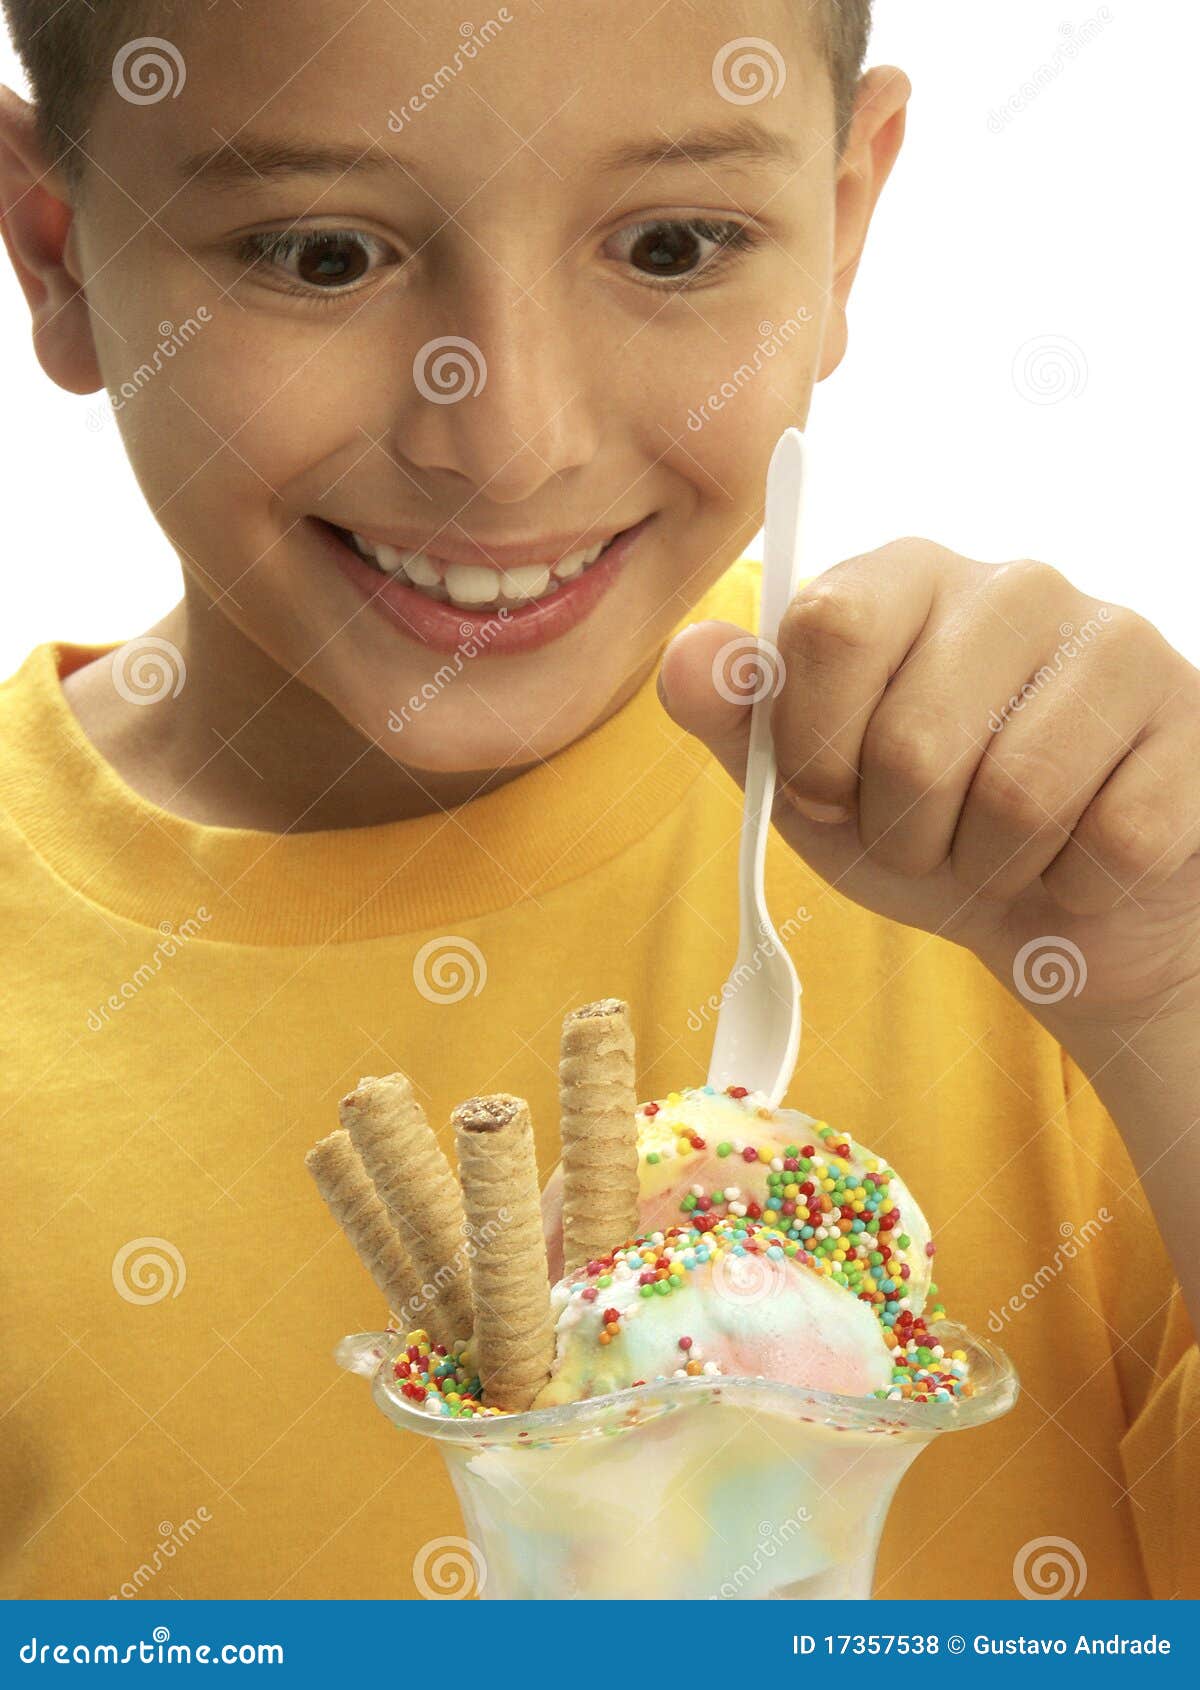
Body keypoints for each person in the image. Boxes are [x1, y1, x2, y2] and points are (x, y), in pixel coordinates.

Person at [0, 0, 1196, 1600]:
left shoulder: (1067, 878)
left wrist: (1169, 1000)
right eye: (321, 257)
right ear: (58, 252)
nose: (510, 441)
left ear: (840, 229)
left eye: (677, 243)